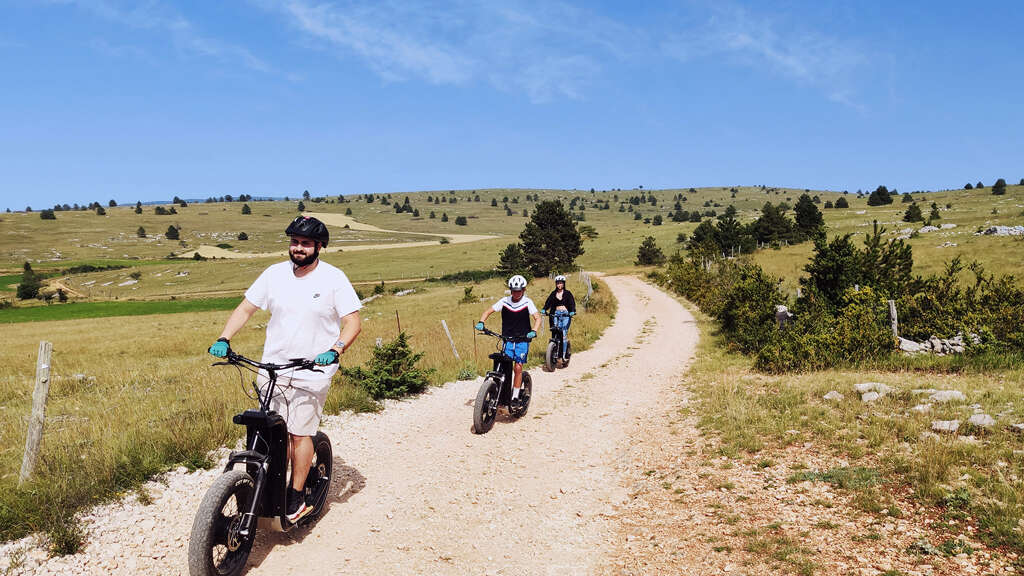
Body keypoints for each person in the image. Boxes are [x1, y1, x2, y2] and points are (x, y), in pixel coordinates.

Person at [208, 215, 362, 523]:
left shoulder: (333, 279)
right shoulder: (274, 274)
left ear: (320, 246)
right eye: (294, 242)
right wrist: (224, 337)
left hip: (311, 370)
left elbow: (353, 322)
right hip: (272, 367)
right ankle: (257, 491)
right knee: (266, 430)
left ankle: (295, 495)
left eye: (306, 243)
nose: (299, 248)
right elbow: (245, 308)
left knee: (297, 434)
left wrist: (336, 349)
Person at [475, 275, 542, 406]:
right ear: (510, 290)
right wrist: (481, 322)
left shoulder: (527, 302)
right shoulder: (504, 301)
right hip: (507, 339)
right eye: (514, 290)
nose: (516, 293)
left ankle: (515, 397)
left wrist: (533, 331)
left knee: (517, 367)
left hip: (523, 339)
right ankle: (501, 395)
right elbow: (488, 311)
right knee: (504, 366)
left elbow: (537, 318)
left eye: (519, 290)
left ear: (523, 290)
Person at [542, 274, 576, 361]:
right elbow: (548, 302)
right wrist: (544, 309)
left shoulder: (568, 293)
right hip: (556, 314)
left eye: (561, 283)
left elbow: (572, 303)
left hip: (565, 315)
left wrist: (572, 311)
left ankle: (564, 356)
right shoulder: (553, 294)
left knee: (563, 333)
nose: (559, 285)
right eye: (557, 283)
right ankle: (553, 351)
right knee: (555, 331)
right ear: (556, 284)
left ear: (564, 284)